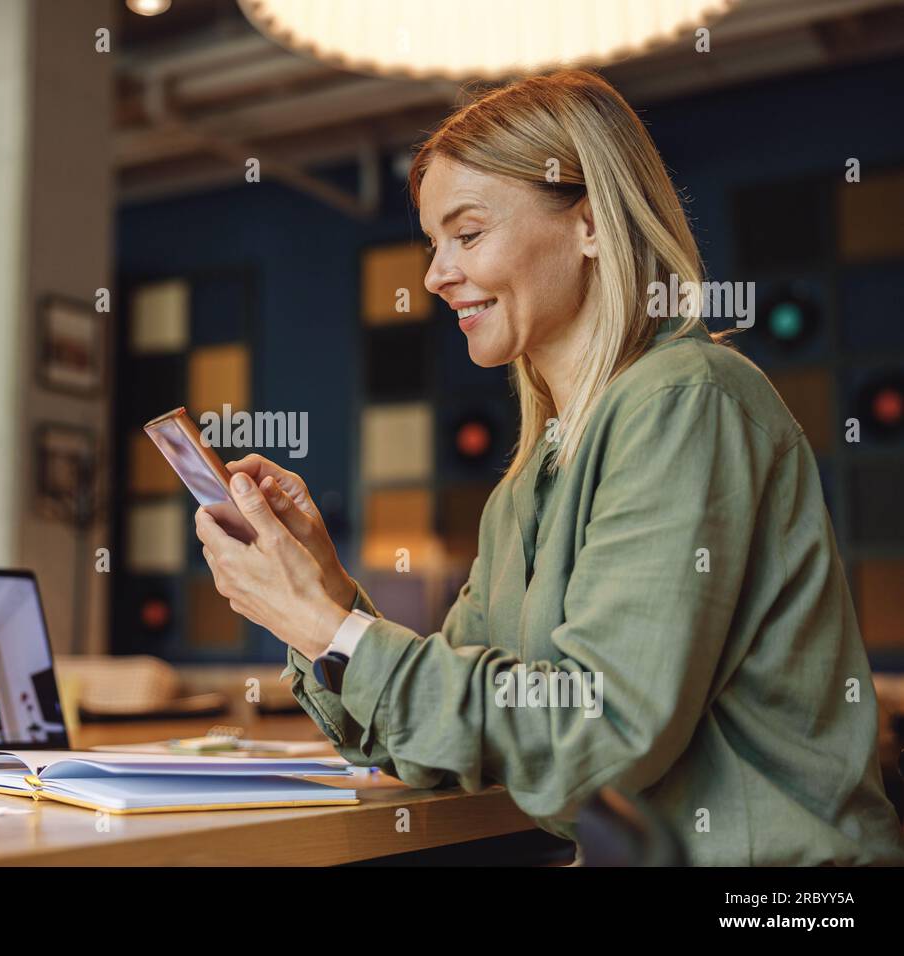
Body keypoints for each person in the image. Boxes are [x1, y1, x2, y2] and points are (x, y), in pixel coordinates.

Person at [193, 70, 904, 865]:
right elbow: (438, 740)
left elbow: (597, 744)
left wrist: (328, 628)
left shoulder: (686, 401)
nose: (434, 275)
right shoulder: (529, 484)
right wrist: (321, 592)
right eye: (433, 244)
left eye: (467, 234)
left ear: (590, 225)